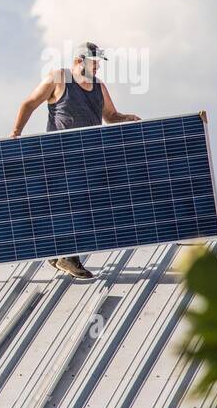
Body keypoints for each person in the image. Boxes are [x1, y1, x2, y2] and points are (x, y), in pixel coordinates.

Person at [10, 42, 141, 279]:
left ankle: (59, 254)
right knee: (71, 203)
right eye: (94, 62)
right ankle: (67, 256)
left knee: (90, 204)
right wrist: (16, 133)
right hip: (59, 155)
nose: (98, 66)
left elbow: (110, 116)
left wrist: (125, 118)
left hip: (88, 156)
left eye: (99, 62)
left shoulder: (99, 87)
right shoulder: (58, 79)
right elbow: (28, 104)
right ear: (79, 60)